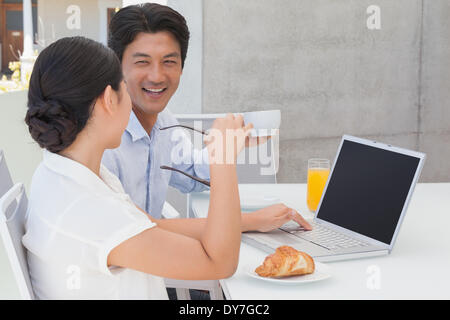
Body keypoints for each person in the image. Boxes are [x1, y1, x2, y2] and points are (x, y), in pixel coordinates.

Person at [22, 36, 255, 299]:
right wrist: (223, 157)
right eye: (125, 88)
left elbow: (150, 226)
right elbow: (219, 263)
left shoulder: (63, 174)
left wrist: (254, 221)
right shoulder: (90, 211)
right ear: (110, 99)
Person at [104, 3, 311, 233]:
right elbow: (129, 230)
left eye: (169, 61)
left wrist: (231, 145)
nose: (157, 76)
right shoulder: (103, 138)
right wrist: (249, 221)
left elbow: (191, 174)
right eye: (142, 62)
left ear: (182, 67)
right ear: (117, 66)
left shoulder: (163, 121)